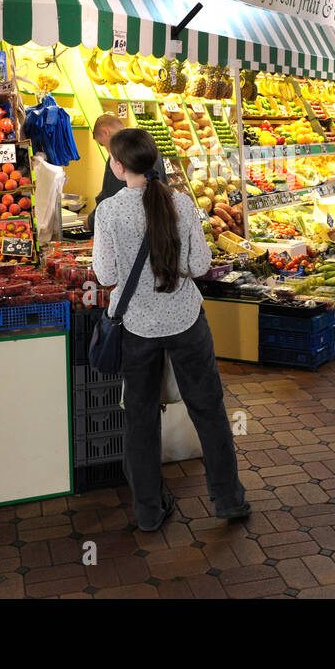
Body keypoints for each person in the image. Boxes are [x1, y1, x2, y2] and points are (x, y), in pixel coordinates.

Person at [92, 128, 249, 532]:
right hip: (185, 319)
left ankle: (148, 512)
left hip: (137, 327)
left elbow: (106, 274)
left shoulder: (109, 211)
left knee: (141, 419)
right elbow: (199, 267)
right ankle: (229, 500)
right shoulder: (180, 201)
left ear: (119, 166)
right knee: (209, 409)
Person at [86, 113, 166, 230]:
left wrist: (91, 221)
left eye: (101, 144)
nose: (108, 151)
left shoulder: (110, 209)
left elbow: (109, 194)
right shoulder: (152, 151)